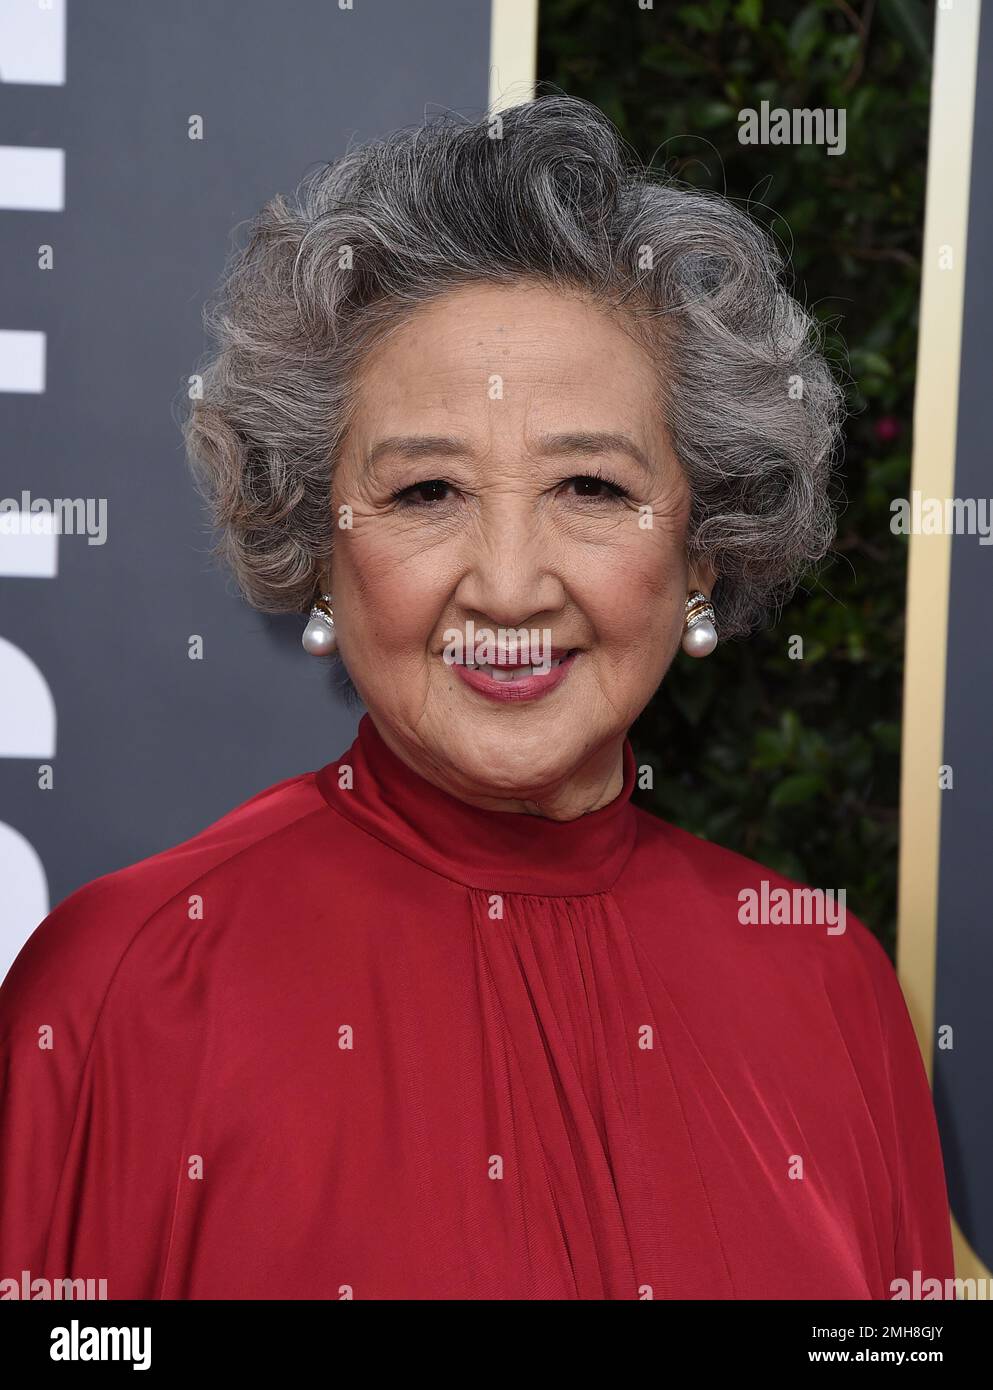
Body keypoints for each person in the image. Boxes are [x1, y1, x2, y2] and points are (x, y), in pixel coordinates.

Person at [0, 95, 953, 1300]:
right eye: (427, 494)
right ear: (318, 540)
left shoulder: (830, 984)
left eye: (593, 488)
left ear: (703, 547)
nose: (508, 584)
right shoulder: (121, 988)